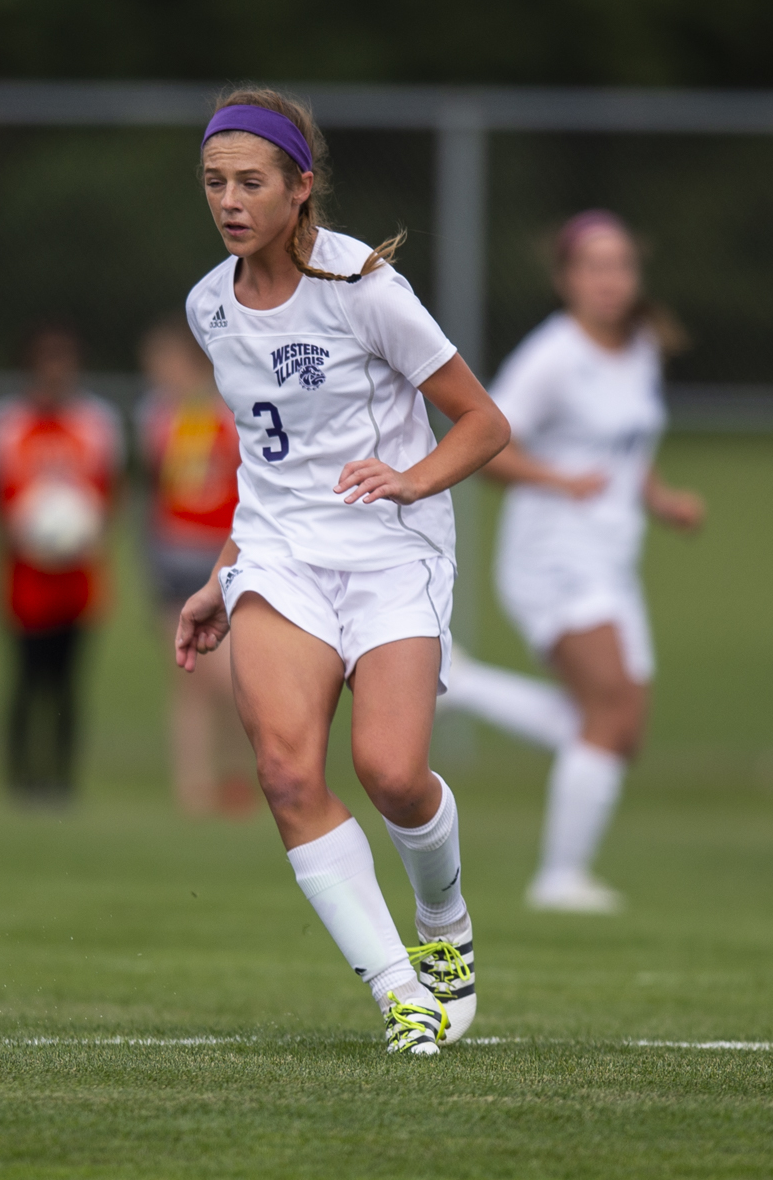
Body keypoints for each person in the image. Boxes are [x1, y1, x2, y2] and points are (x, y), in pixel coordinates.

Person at [173, 88, 509, 1055]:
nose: (229, 201)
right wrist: (220, 574)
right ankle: (399, 990)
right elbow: (265, 465)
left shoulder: (363, 287)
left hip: (390, 549)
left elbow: (485, 423)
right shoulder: (209, 306)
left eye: (249, 182)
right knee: (285, 771)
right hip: (280, 557)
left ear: (299, 188)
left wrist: (409, 480)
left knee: (391, 773)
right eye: (212, 183)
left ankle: (443, 923)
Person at [438, 210, 705, 913]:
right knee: (610, 711)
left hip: (610, 557)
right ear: (566, 279)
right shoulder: (551, 356)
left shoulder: (642, 345)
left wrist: (661, 498)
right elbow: (488, 443)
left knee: (620, 728)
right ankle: (559, 878)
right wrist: (559, 482)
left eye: (620, 264)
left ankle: (461, 683)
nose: (610, 279)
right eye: (594, 266)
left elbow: (626, 449)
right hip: (551, 555)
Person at [0, 322, 123, 805]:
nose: (55, 373)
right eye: (47, 362)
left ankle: (62, 779)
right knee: (25, 677)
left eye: (64, 362)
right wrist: (20, 531)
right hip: (23, 577)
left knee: (68, 683)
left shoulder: (97, 423)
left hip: (79, 578)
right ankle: (21, 779)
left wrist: (87, 530)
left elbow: (112, 492)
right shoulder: (6, 423)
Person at [134, 317, 255, 817]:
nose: (159, 373)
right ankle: (193, 787)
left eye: (166, 363)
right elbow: (152, 488)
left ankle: (240, 772)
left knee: (231, 679)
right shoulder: (155, 417)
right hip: (172, 558)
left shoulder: (229, 413)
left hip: (221, 556)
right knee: (186, 676)